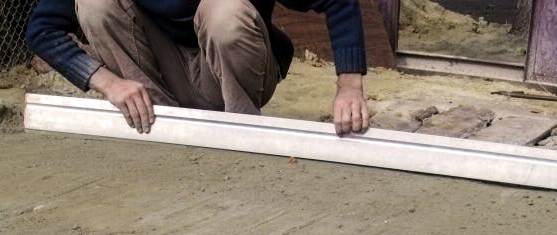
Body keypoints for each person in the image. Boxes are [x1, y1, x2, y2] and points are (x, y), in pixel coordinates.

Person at [26, 0, 369, 136]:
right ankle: (154, 123)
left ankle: (243, 131)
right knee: (94, 1)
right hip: (163, 77)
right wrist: (110, 83)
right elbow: (42, 29)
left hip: (233, 73)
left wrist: (350, 87)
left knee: (224, 10)